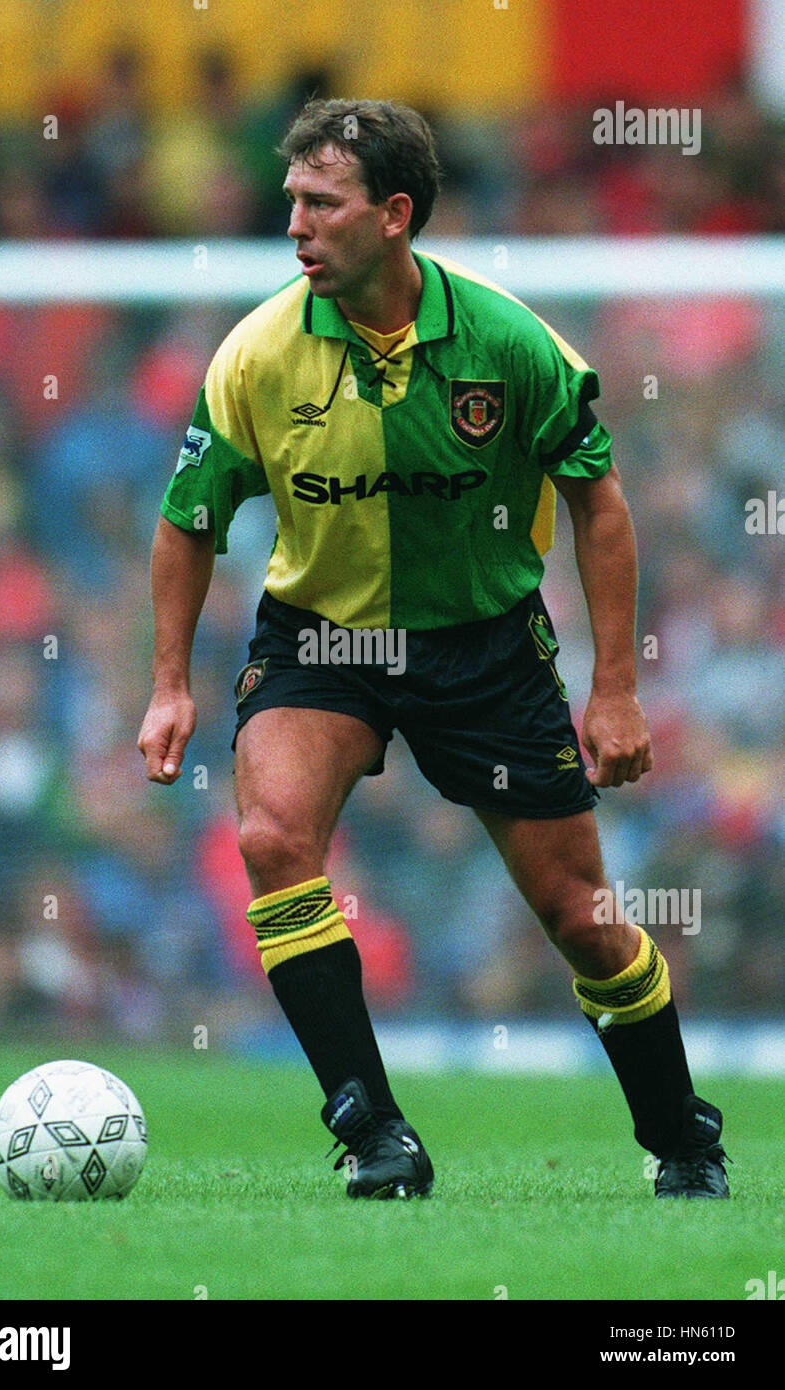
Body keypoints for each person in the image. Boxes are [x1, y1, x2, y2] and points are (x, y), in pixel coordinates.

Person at [138, 98, 729, 1201]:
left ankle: (681, 1134)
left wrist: (614, 690)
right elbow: (186, 522)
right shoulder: (256, 355)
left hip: (482, 650)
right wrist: (168, 683)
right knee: (271, 840)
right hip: (322, 640)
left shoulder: (509, 344)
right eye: (291, 203)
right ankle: (374, 1133)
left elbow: (598, 506)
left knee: (584, 923)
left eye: (322, 204)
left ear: (394, 216)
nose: (296, 226)